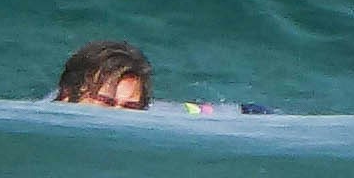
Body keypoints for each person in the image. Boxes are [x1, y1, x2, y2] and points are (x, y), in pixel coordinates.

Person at [50, 42, 267, 113]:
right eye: (106, 102)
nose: (118, 115)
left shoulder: (155, 113)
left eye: (130, 108)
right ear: (67, 94)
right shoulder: (38, 118)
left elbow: (211, 112)